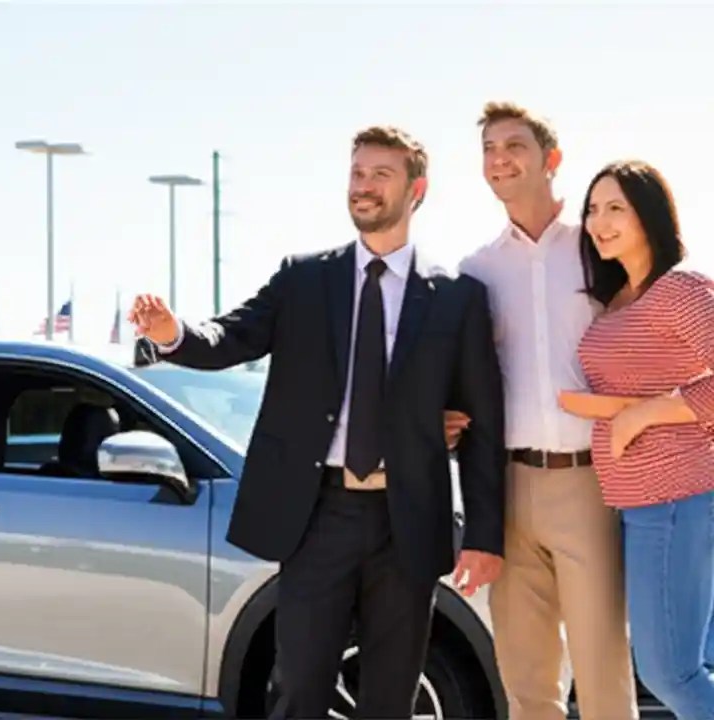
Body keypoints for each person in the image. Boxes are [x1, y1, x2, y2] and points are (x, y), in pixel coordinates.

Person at [129, 125, 507, 719]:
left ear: (417, 190)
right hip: (317, 515)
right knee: (300, 690)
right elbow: (232, 336)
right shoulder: (303, 279)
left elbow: (481, 422)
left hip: (408, 520)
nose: (364, 186)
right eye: (357, 173)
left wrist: (484, 535)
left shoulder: (457, 297)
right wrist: (174, 334)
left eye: (381, 175)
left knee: (391, 701)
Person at [456, 101, 637, 720]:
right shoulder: (477, 270)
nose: (499, 159)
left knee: (604, 677)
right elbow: (466, 380)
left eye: (515, 146)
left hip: (591, 482)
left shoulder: (599, 250)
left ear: (550, 159)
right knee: (528, 684)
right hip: (508, 488)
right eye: (489, 149)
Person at [558, 159, 714, 720]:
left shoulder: (680, 290)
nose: (599, 222)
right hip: (643, 505)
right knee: (697, 663)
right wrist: (604, 408)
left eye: (615, 208)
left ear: (649, 214)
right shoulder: (619, 298)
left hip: (675, 500)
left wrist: (645, 414)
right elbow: (637, 388)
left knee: (670, 673)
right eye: (592, 210)